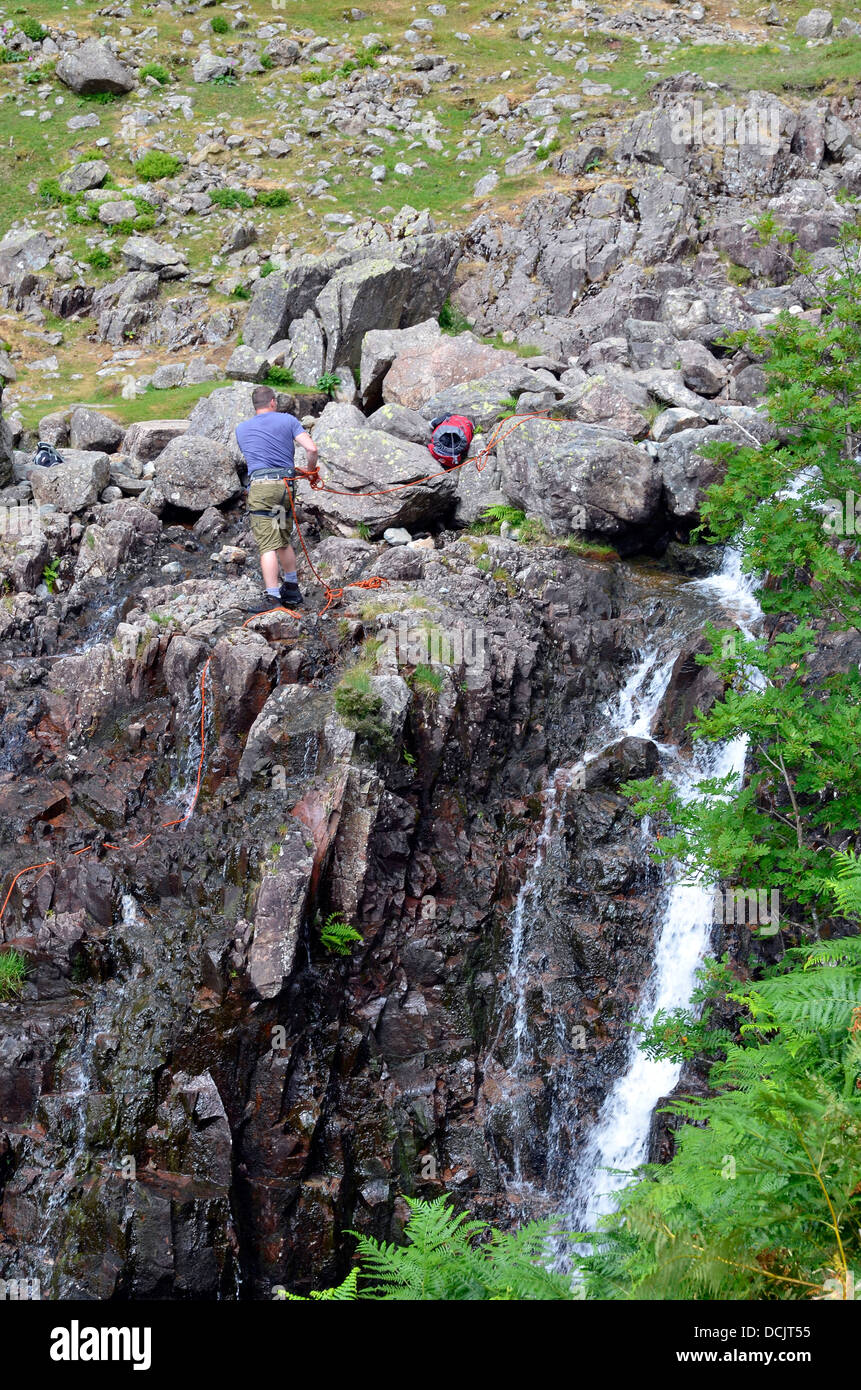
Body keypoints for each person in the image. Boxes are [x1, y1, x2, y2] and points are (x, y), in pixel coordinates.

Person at [235, 385, 318, 610]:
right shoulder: (288, 420)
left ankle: (273, 598)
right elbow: (311, 449)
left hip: (263, 491)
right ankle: (292, 590)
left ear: (256, 406)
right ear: (272, 401)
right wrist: (310, 472)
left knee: (267, 544)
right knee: (281, 537)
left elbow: (256, 458)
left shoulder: (241, 429)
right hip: (285, 489)